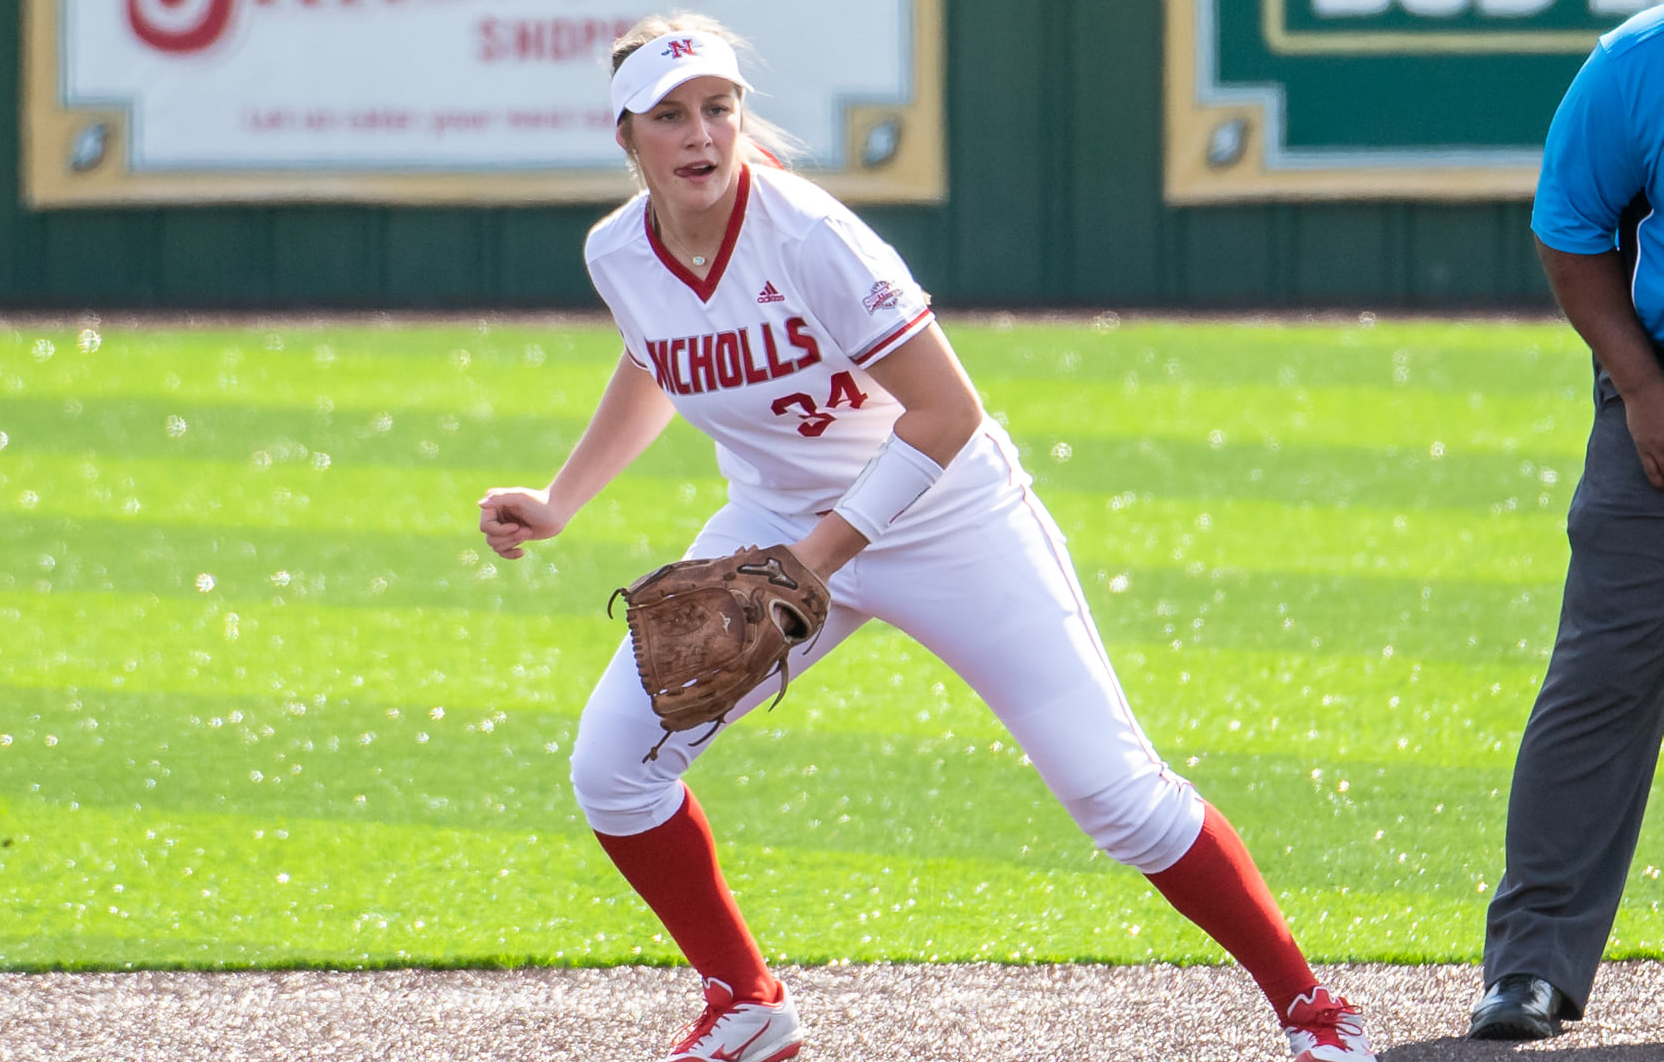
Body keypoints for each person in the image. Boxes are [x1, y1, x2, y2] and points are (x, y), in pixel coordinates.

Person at [477, 15, 1378, 1062]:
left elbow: (945, 417)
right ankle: (747, 1001)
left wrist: (815, 559)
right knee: (613, 768)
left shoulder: (810, 237)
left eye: (717, 108)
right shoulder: (617, 252)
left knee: (1113, 794)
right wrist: (561, 499)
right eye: (670, 115)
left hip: (949, 517)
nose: (700, 135)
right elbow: (654, 363)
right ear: (626, 135)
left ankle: (1312, 1009)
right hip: (778, 523)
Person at [1469, 6, 1664, 1043]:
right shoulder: (1637, 63)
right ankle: (1532, 965)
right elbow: (1569, 226)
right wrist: (1635, 384)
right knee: (1602, 677)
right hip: (1661, 395)